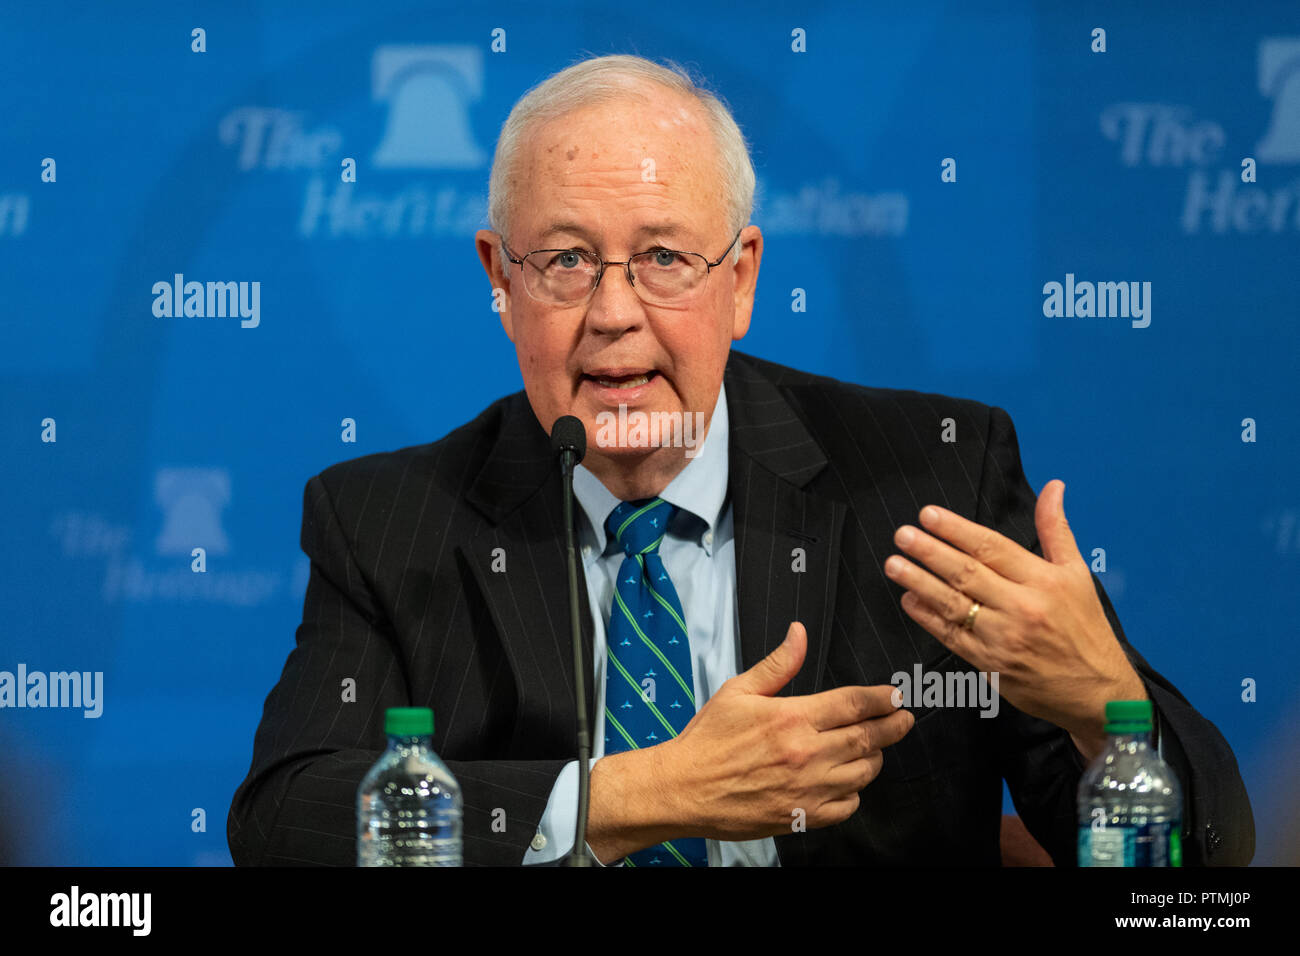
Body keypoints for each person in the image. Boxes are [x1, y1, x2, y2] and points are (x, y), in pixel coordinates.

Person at [228, 54, 1253, 867]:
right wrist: (642, 793)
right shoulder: (390, 521)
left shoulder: (928, 477)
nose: (614, 313)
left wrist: (1097, 698)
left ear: (742, 278)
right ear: (501, 279)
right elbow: (284, 818)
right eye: (566, 261)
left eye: (666, 258)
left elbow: (1203, 859)